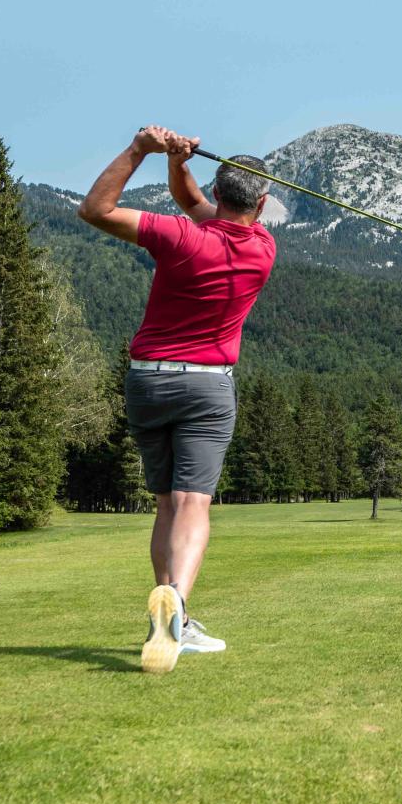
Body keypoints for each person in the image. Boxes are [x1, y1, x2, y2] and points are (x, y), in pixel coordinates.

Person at [77, 126, 276, 673]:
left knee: (166, 504)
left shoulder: (179, 238)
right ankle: (177, 612)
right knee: (193, 504)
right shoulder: (263, 248)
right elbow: (197, 204)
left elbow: (95, 209)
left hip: (147, 382)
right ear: (259, 203)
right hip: (208, 387)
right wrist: (177, 163)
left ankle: (167, 615)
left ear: (220, 192)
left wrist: (145, 151)